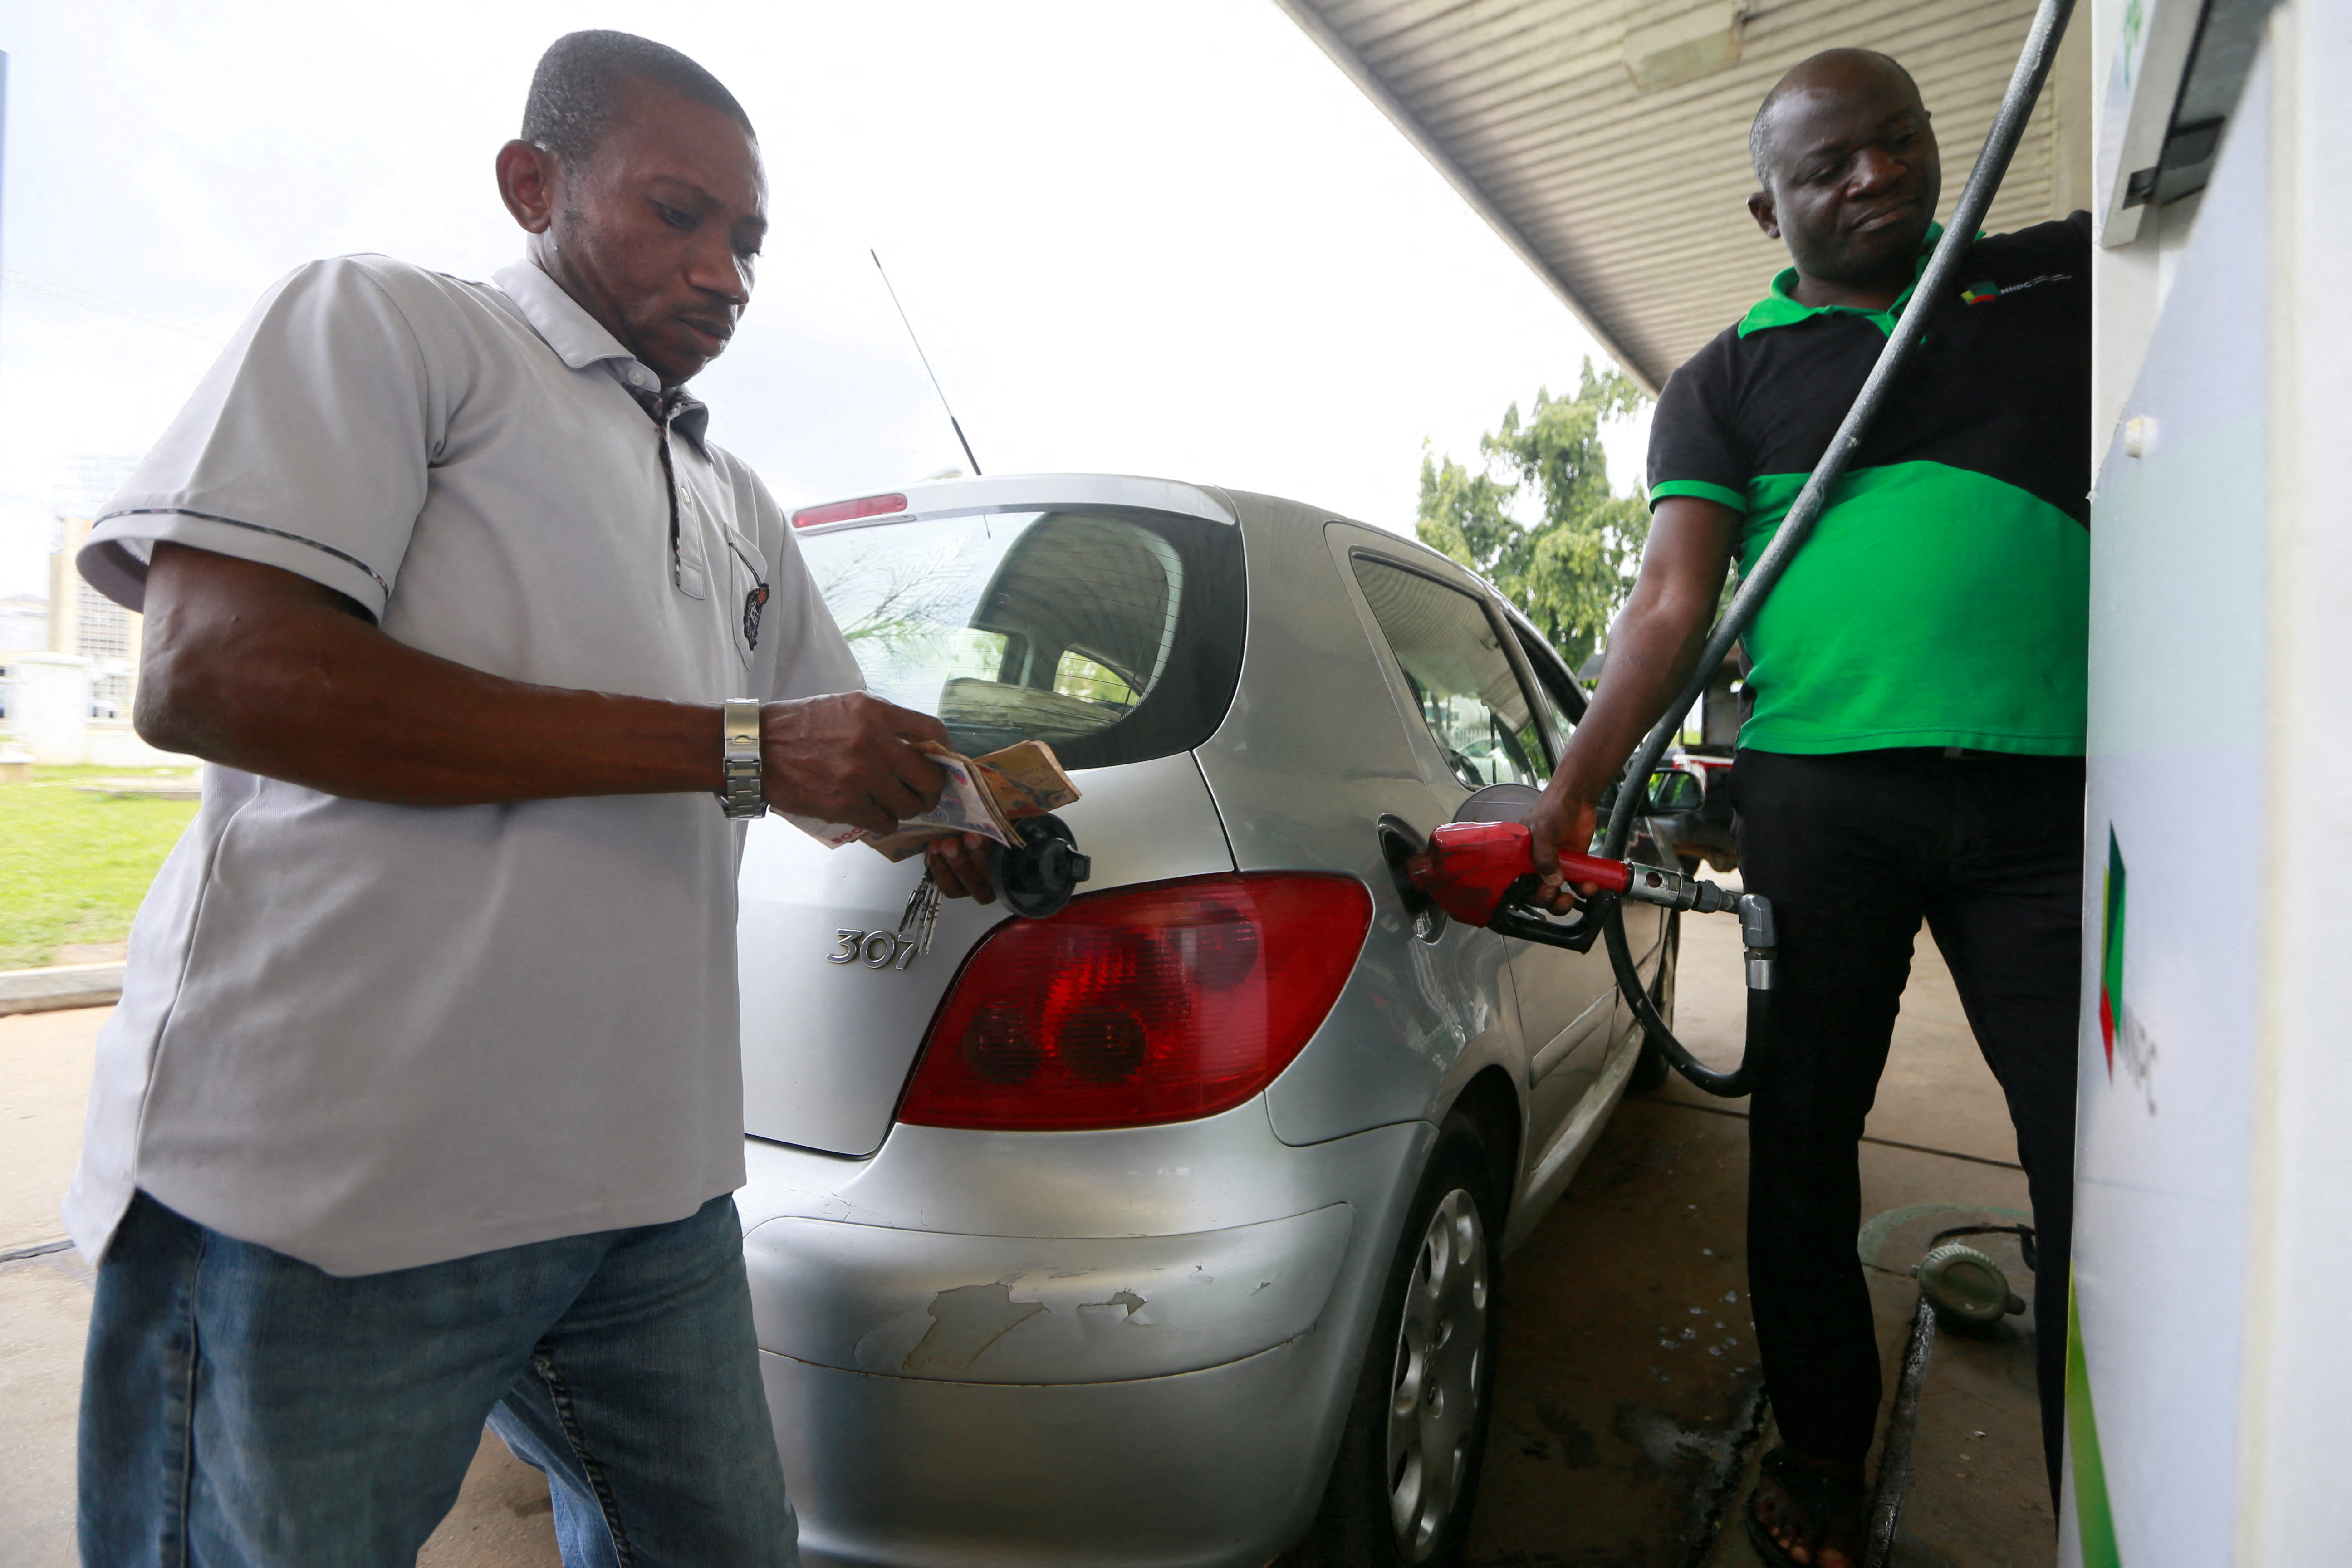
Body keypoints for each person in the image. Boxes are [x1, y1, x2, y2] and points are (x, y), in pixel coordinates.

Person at [67, 30, 994, 1565]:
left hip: (647, 1199)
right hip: (330, 1202)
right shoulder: (389, 327)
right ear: (531, 184)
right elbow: (215, 674)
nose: (728, 276)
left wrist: (950, 810)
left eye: (750, 242)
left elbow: (819, 755)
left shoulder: (734, 494)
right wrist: (752, 750)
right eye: (678, 215)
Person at [1525, 48, 2088, 1568]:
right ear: (1767, 206)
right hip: (1828, 803)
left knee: (2098, 1154)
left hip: (2052, 800)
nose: (1879, 176)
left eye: (1900, 144)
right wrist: (1572, 794)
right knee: (1809, 1135)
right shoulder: (1723, 382)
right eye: (1832, 165)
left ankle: (2106, 1500)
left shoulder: (2054, 283)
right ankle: (1826, 1455)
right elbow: (1668, 600)